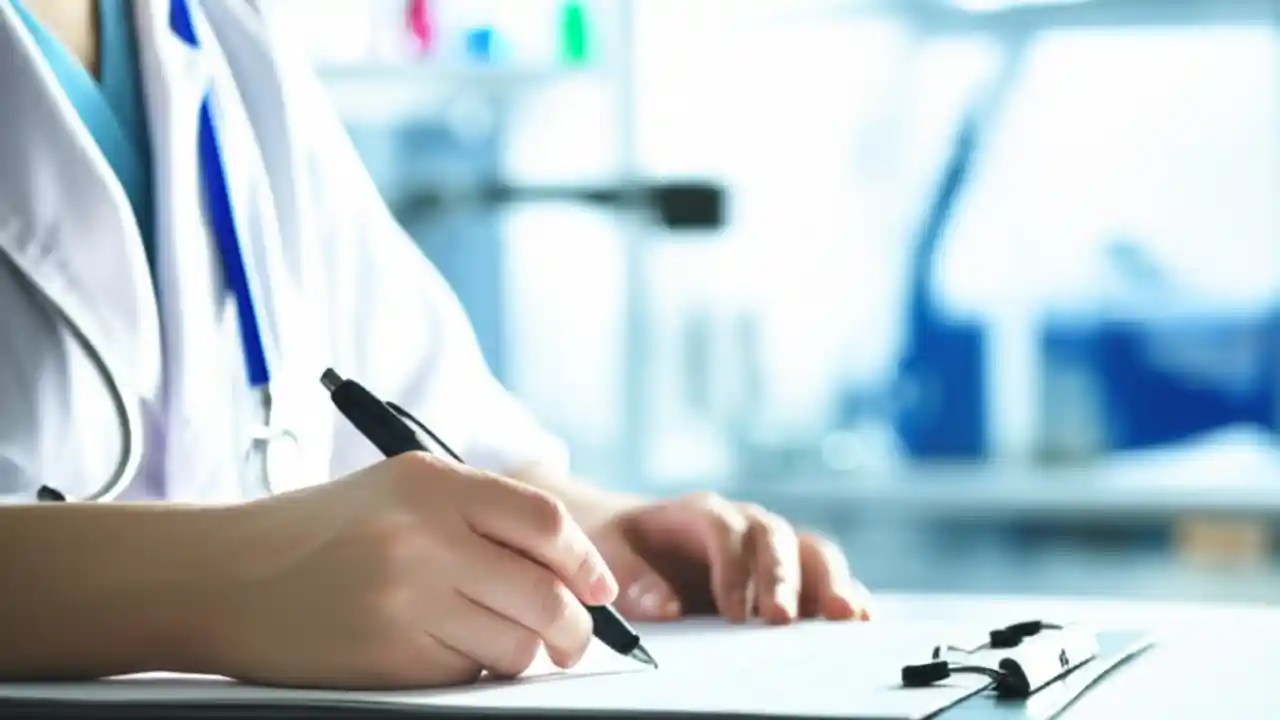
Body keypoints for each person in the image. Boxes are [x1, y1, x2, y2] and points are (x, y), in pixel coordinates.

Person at [0, 0, 871, 689]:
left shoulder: (225, 34)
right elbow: (319, 540)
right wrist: (222, 580)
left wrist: (592, 537)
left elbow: (431, 429)